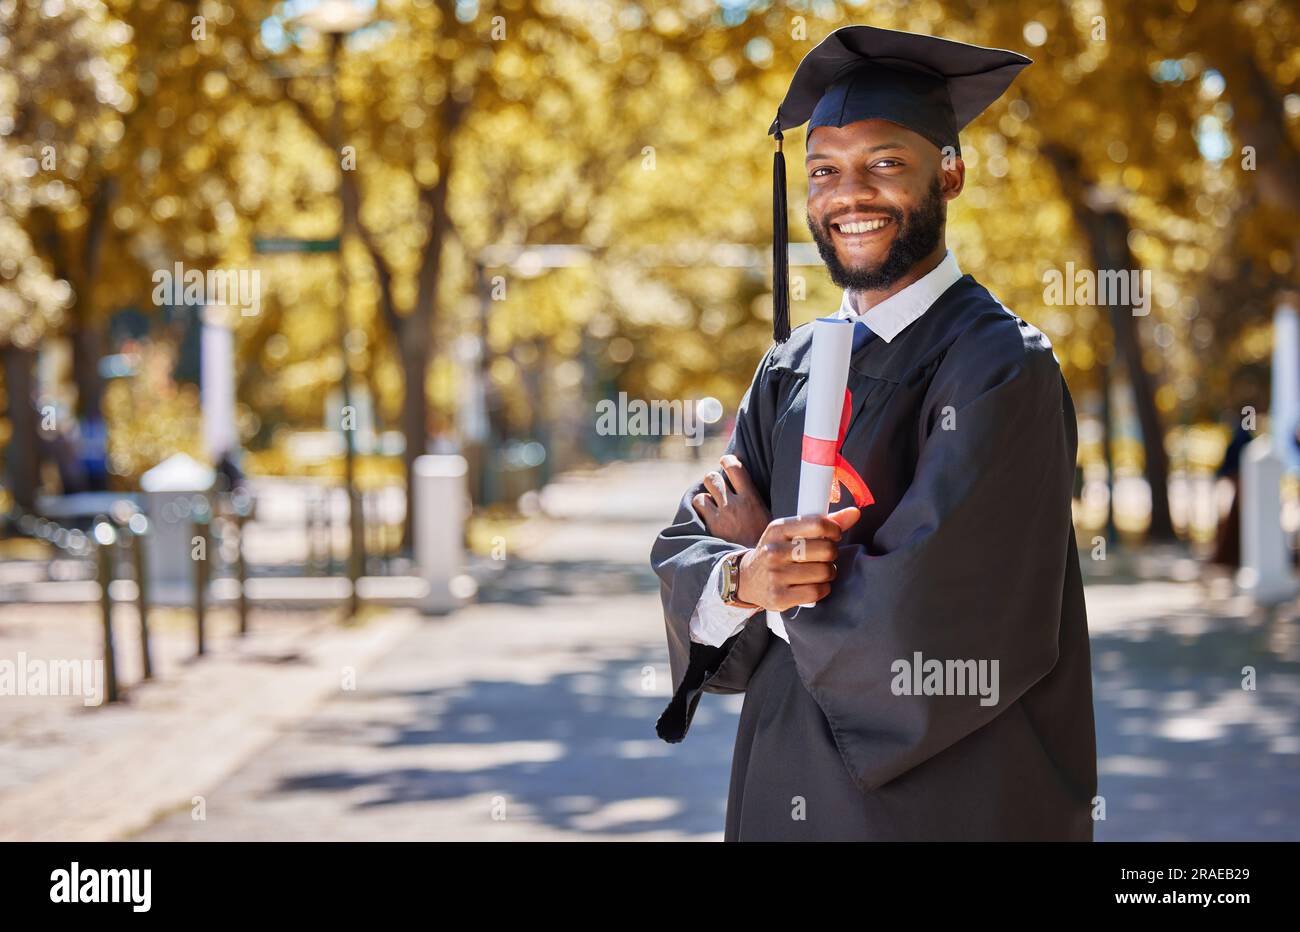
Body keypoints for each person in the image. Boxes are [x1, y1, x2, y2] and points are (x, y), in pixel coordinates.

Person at [650, 25, 1097, 841]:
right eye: (824, 171)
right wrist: (747, 575)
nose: (848, 193)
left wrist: (770, 585)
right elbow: (693, 541)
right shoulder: (790, 367)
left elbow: (939, 610)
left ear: (950, 173)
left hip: (951, 801)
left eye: (885, 163)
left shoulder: (1001, 366)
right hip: (785, 783)